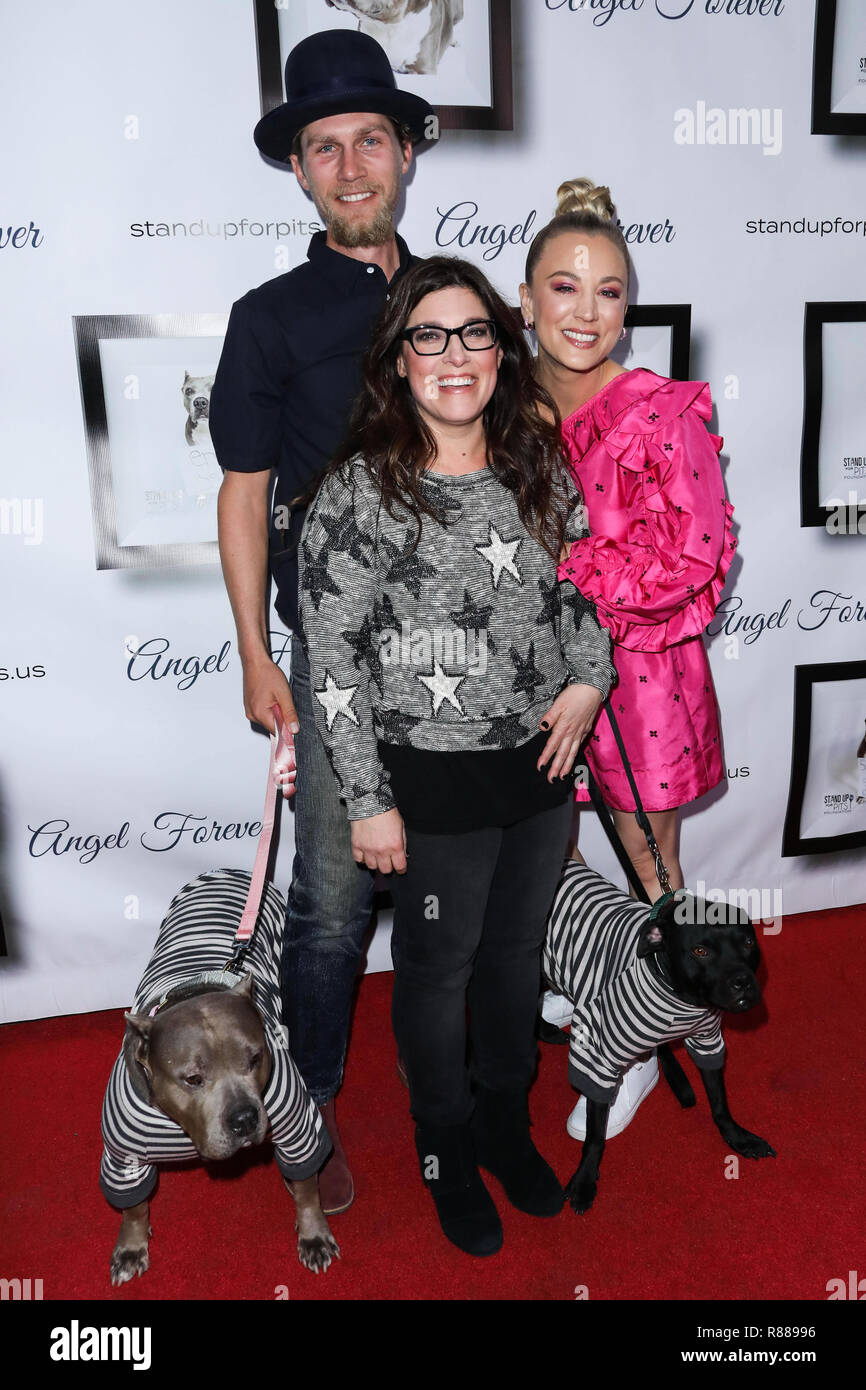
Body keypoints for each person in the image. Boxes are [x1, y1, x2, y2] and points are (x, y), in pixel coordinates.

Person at [298, 255, 616, 1256]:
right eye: (426, 335)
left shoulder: (535, 458)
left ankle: (500, 1122)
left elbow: (582, 589)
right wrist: (365, 798)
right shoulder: (359, 486)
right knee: (436, 974)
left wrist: (588, 677)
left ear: (500, 346)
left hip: (538, 767)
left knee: (515, 959)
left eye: (472, 331)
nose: (452, 354)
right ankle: (440, 1148)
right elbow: (332, 658)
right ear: (396, 359)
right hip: (423, 778)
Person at [209, 30, 436, 1215]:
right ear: (298, 171)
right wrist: (256, 649)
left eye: (368, 140)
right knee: (333, 905)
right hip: (337, 659)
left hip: (471, 657)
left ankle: (453, 1095)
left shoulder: (455, 301)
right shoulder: (266, 316)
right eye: (323, 147)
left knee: (460, 883)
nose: (350, 165)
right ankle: (313, 1109)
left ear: (404, 152)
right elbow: (243, 492)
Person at [519, 177, 736, 1138]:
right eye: (564, 287)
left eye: (609, 290)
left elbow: (697, 558)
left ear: (628, 307)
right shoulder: (497, 401)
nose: (586, 309)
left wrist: (563, 566)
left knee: (653, 866)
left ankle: (644, 1040)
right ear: (525, 301)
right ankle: (580, 986)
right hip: (524, 676)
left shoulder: (660, 412)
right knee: (546, 854)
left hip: (644, 675)